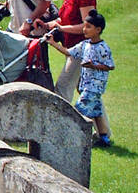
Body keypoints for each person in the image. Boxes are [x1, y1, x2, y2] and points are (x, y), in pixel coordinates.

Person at [47, 11, 115, 147]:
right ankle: (104, 139)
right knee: (96, 112)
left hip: (94, 87)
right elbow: (69, 52)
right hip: (86, 85)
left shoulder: (103, 48)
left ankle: (75, 139)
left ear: (98, 30)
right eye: (84, 26)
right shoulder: (84, 44)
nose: (85, 29)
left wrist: (93, 66)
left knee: (79, 113)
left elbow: (110, 66)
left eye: (88, 27)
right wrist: (53, 43)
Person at [36, 0, 97, 102]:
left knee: (62, 89)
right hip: (70, 48)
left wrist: (61, 29)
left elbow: (87, 26)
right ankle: (102, 126)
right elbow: (63, 18)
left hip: (81, 50)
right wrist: (47, 25)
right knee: (87, 94)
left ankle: (60, 124)